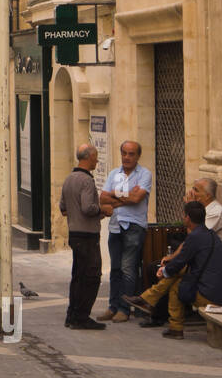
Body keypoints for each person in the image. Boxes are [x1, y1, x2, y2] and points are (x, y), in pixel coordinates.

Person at [125, 201, 222, 338]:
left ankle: (174, 326)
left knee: (176, 288)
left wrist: (163, 272)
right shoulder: (212, 235)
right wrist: (167, 270)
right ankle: (147, 300)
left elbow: (180, 261)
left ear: (187, 218)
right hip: (220, 290)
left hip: (208, 294)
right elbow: (184, 263)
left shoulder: (195, 237)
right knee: (176, 277)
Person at [99, 140, 152, 322]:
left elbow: (138, 198)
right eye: (124, 153)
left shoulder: (144, 174)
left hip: (134, 226)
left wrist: (115, 195)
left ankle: (125, 308)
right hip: (115, 226)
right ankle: (113, 306)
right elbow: (103, 199)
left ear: (138, 156)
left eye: (131, 154)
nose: (127, 157)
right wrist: (125, 197)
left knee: (128, 269)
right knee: (115, 269)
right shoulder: (114, 173)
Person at [59, 144, 110, 330]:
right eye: (95, 157)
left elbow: (63, 208)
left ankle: (72, 315)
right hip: (87, 234)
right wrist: (103, 209)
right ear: (88, 158)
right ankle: (81, 316)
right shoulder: (86, 181)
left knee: (78, 275)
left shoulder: (69, 178)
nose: (97, 160)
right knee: (92, 275)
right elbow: (88, 208)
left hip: (74, 232)